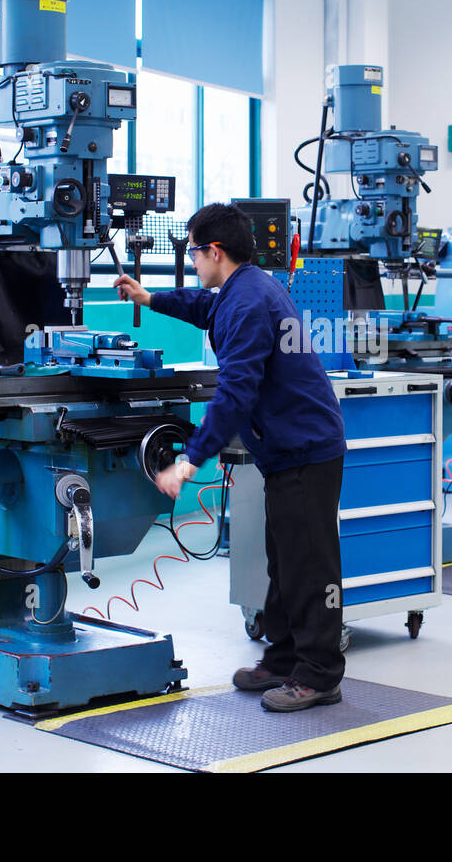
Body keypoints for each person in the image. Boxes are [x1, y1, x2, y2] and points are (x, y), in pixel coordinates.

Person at [114, 203, 347, 712]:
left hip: (305, 449)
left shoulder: (247, 302)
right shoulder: (243, 288)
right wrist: (148, 297)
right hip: (287, 450)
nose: (193, 261)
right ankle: (285, 659)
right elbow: (202, 304)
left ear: (214, 251)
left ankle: (321, 674)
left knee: (309, 566)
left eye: (194, 252)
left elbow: (236, 392)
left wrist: (191, 461)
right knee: (284, 560)